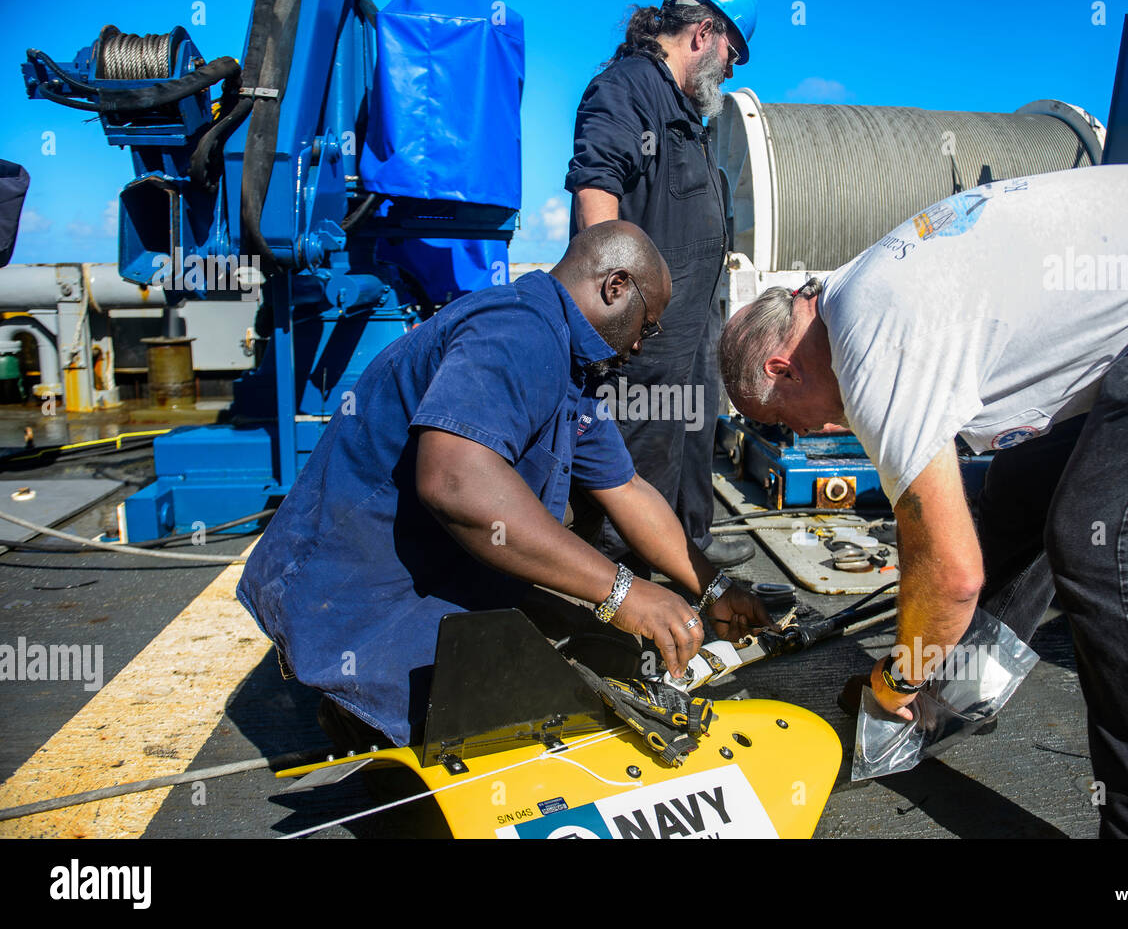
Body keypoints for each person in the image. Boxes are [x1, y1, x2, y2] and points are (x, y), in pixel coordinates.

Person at [717, 163, 1128, 838]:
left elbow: (950, 573)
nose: (810, 433)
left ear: (780, 367)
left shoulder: (871, 344)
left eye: (787, 420)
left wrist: (893, 678)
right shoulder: (858, 294)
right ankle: (951, 695)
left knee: (1110, 549)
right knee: (1018, 497)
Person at [237, 220, 768, 749]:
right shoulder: (520, 330)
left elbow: (626, 489)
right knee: (531, 723)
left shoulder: (570, 365)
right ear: (615, 287)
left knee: (599, 658)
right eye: (646, 326)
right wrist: (623, 593)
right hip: (358, 598)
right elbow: (455, 481)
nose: (639, 346)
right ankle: (358, 710)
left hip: (440, 572)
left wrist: (713, 588)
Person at [565, 0, 758, 570]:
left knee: (692, 438)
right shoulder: (628, 88)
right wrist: (613, 306)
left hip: (689, 332)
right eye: (731, 55)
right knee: (635, 464)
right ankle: (620, 600)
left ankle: (687, 551)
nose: (728, 71)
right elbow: (597, 182)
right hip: (643, 341)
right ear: (706, 33)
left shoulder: (683, 110)